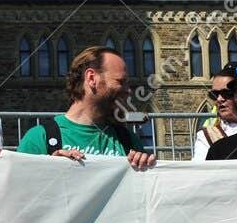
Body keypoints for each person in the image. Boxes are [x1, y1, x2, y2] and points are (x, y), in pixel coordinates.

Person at [15, 45, 156, 169]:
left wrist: (144, 168)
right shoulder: (39, 139)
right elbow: (20, 193)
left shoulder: (127, 140)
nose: (128, 90)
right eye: (120, 81)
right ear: (91, 78)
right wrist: (49, 171)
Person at [191, 69, 237, 162]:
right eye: (214, 94)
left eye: (226, 93)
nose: (219, 99)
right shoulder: (207, 136)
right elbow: (198, 171)